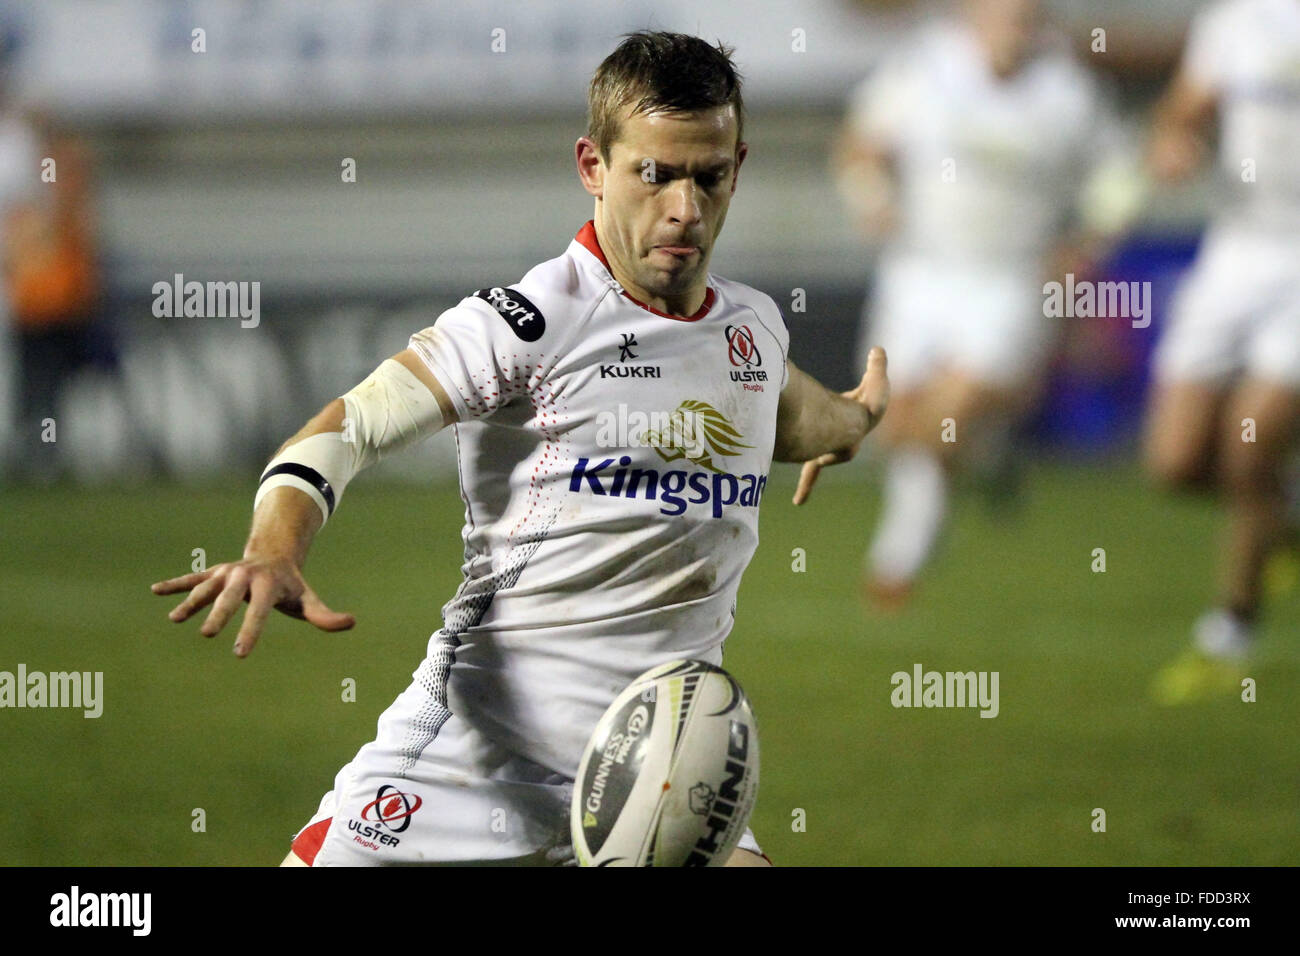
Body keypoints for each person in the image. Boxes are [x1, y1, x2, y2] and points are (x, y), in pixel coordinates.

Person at [151, 31, 889, 866]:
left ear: (737, 167)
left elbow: (792, 415)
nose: (684, 206)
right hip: (467, 766)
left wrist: (855, 422)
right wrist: (273, 548)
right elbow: (346, 429)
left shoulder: (749, 330)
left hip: (655, 769)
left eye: (707, 176)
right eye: (654, 173)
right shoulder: (529, 321)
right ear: (592, 165)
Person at [834, 0, 1134, 607]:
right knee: (889, 424)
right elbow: (860, 145)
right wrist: (870, 199)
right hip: (919, 271)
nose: (1012, 24)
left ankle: (903, 550)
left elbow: (1120, 175)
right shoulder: (925, 66)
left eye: (1025, 14)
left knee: (955, 412)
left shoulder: (1068, 90)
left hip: (1010, 282)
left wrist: (1088, 241)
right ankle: (990, 460)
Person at [1144, 0, 1300, 704]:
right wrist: (1177, 141)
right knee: (1174, 463)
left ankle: (1228, 630)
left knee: (1251, 452)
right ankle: (1284, 519)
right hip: (1236, 253)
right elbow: (1184, 110)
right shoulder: (1237, 19)